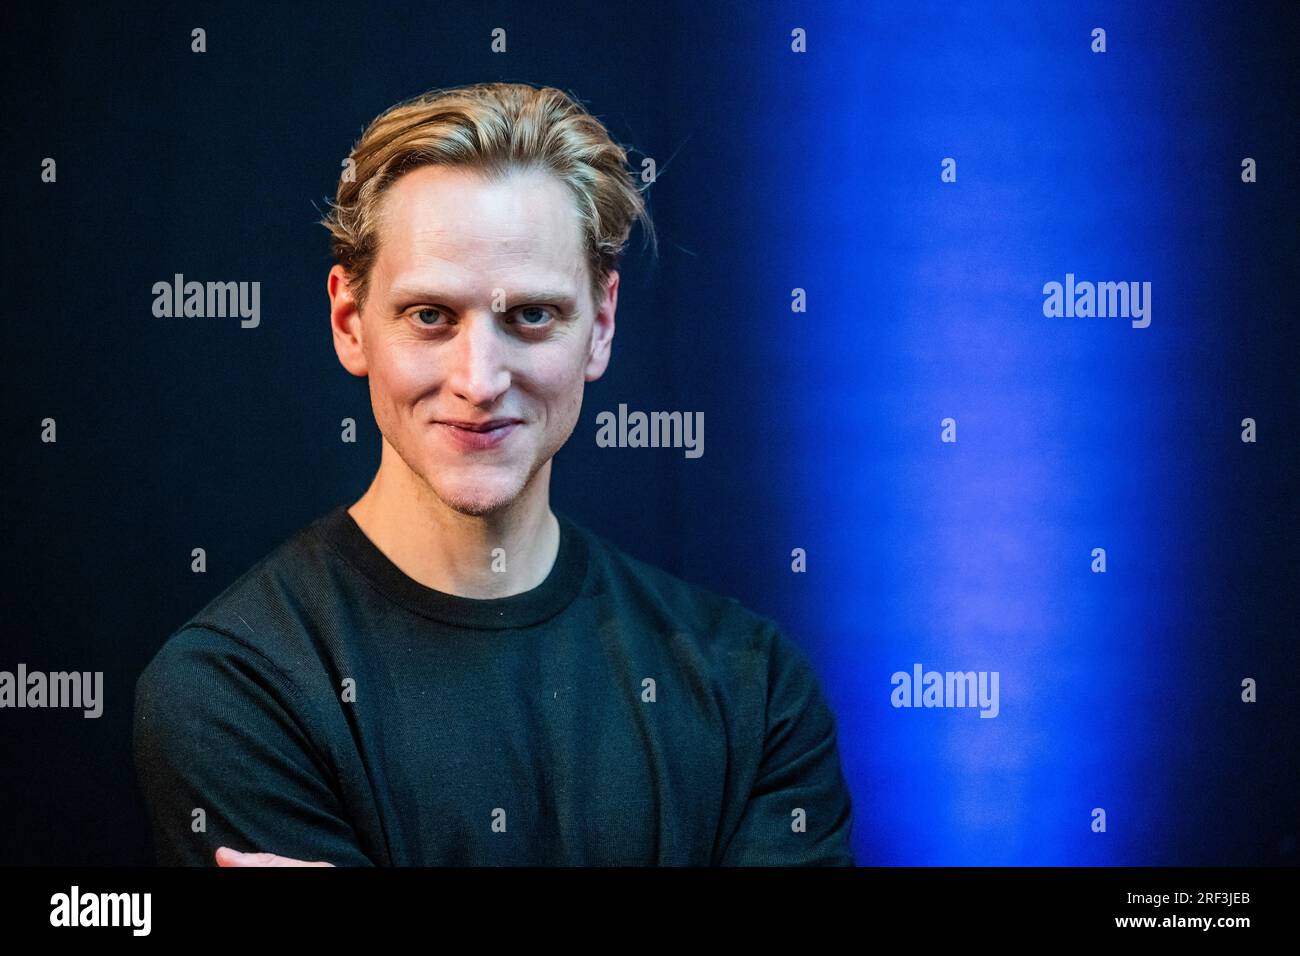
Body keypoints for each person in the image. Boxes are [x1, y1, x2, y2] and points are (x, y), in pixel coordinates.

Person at [132, 81, 855, 866]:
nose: (480, 379)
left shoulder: (750, 686)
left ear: (601, 326)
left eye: (530, 317)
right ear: (351, 324)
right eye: (431, 316)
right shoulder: (237, 689)